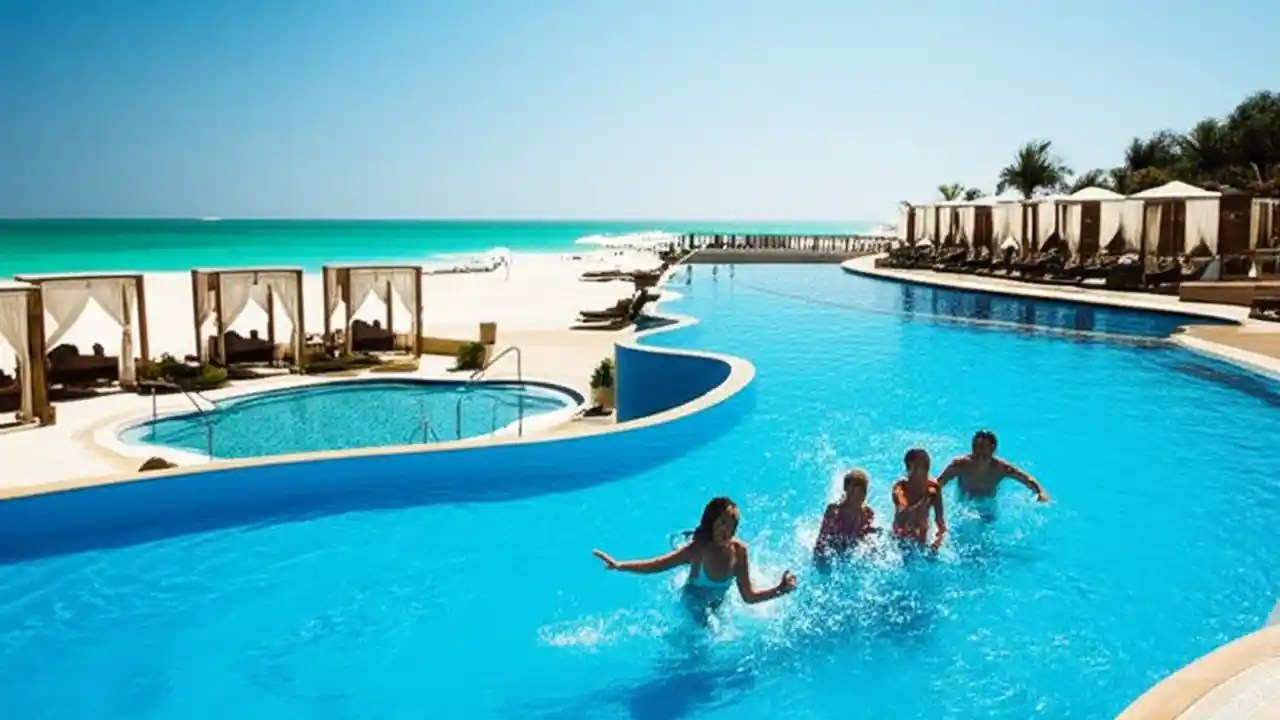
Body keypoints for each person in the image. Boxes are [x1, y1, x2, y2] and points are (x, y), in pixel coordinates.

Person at [592, 497, 797, 606]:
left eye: (733, 524)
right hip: (693, 603)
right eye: (722, 523)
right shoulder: (697, 550)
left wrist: (780, 589)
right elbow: (657, 565)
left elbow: (748, 596)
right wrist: (619, 565)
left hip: (719, 602)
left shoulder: (740, 551)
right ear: (712, 524)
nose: (728, 530)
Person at [936, 430, 1049, 503]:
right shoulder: (960, 465)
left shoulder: (1001, 468)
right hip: (963, 505)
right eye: (975, 446)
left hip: (988, 506)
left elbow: (1026, 479)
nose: (978, 450)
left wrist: (1041, 492)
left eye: (982, 446)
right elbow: (938, 484)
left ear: (993, 449)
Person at [814, 469, 878, 561]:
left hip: (850, 550)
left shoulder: (867, 513)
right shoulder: (834, 510)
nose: (862, 494)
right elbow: (821, 540)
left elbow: (864, 537)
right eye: (858, 491)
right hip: (834, 548)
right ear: (847, 490)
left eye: (864, 491)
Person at [892, 448, 947, 552]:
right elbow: (903, 508)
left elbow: (940, 522)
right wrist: (924, 499)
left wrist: (938, 540)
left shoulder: (934, 488)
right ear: (909, 470)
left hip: (922, 540)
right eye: (918, 468)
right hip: (900, 540)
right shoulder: (900, 487)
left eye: (926, 467)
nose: (924, 472)